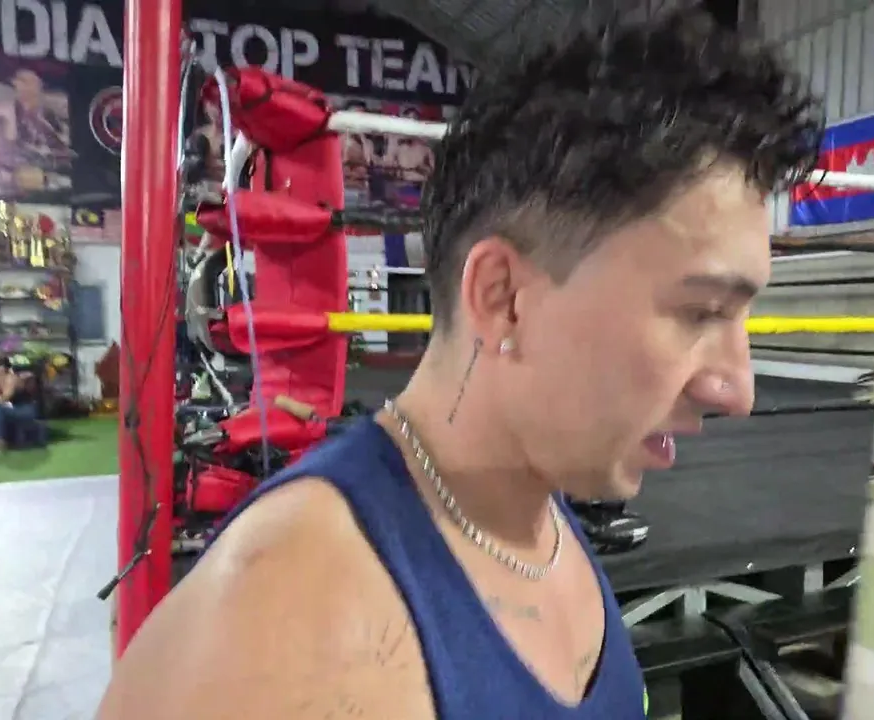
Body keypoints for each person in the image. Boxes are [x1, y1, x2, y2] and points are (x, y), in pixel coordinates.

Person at [98, 8, 821, 719]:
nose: (738, 389)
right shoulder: (281, 631)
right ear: (504, 299)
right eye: (701, 311)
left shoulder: (536, 511)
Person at [0, 354, 38, 449]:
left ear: (2, 368)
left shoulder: (11, 379)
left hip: (24, 410)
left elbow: (4, 399)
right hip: (12, 409)